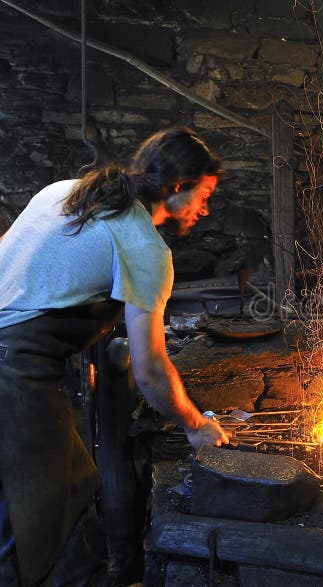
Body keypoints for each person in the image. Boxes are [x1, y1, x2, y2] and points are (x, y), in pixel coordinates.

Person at [0, 126, 230, 586]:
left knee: (36, 503)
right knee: (47, 523)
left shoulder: (64, 192)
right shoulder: (144, 246)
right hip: (15, 377)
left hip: (19, 368)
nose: (205, 209)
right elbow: (150, 370)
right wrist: (196, 425)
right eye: (203, 195)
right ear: (178, 187)